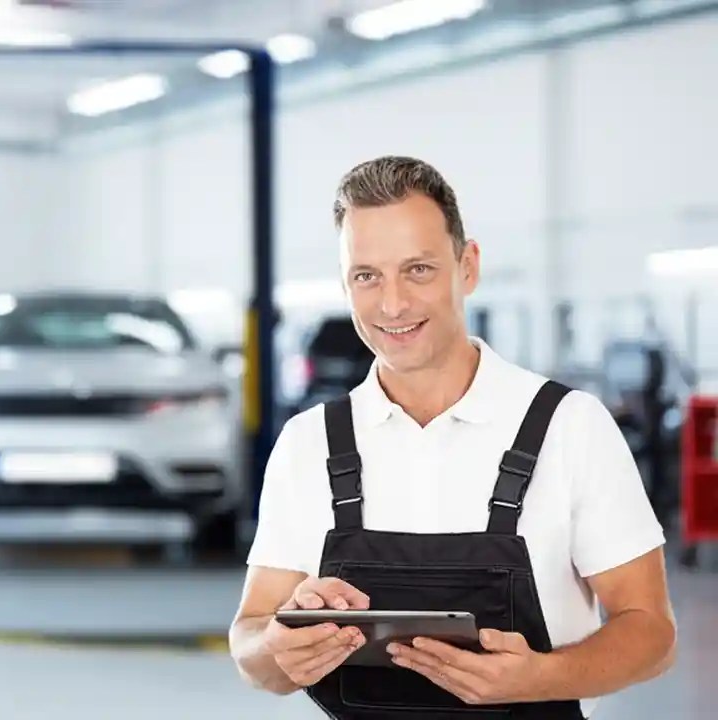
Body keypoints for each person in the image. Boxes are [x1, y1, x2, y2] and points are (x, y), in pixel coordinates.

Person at [228, 156, 676, 718]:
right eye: (366, 276)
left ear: (467, 267)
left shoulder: (570, 427)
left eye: (418, 270)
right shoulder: (308, 443)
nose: (392, 304)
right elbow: (250, 645)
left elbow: (651, 632)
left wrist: (542, 676)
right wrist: (278, 649)